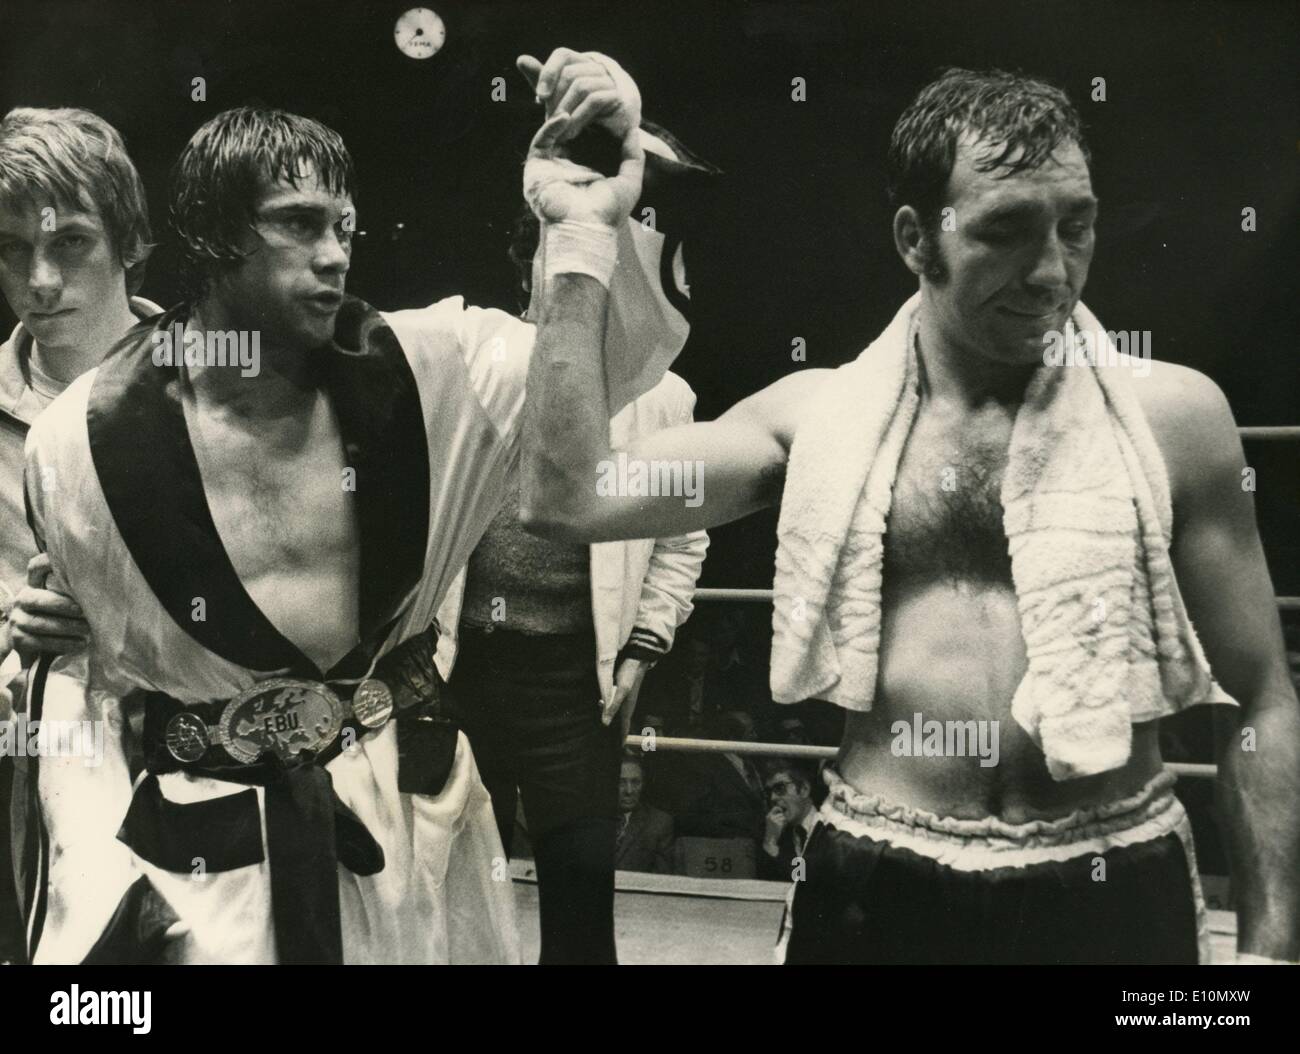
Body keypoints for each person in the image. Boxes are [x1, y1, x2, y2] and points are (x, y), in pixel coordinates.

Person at [519, 68, 1300, 963]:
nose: (1052, 273)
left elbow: (1264, 699)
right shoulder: (815, 418)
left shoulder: (1179, 418)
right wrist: (581, 234)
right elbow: (567, 498)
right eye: (1006, 232)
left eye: (1075, 226)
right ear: (915, 239)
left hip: (1116, 878)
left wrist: (1273, 954)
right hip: (878, 881)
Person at [20, 49, 686, 964]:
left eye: (344, 224)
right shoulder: (76, 444)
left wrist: (582, 226)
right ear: (214, 237)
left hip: (414, 823)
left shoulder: (438, 368)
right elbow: (85, 701)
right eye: (299, 224)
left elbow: (601, 378)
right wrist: (94, 908)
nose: (336, 253)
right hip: (202, 860)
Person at [0, 107, 160, 964]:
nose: (39, 280)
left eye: (69, 244)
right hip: (26, 788)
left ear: (131, 241)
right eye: (11, 247)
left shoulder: (217, 391)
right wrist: (13, 646)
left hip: (211, 783)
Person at [613, 754, 675, 874]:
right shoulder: (595, 817)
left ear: (643, 784)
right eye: (621, 782)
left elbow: (662, 879)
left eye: (635, 782)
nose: (629, 791)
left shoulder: (659, 823)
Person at [757, 761, 817, 882]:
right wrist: (770, 842)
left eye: (780, 788)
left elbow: (810, 881)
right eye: (769, 792)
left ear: (804, 789)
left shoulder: (831, 827)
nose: (773, 798)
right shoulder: (777, 833)